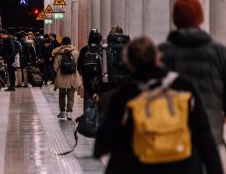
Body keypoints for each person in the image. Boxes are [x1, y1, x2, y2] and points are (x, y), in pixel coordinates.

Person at [94, 36, 223, 174]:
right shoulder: (183, 85)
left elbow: (103, 144)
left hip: (140, 166)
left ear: (129, 61)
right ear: (157, 56)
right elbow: (204, 134)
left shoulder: (125, 95)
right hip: (184, 166)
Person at [159, 0, 226, 168]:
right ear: (201, 18)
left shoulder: (162, 53)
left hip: (170, 133)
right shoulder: (219, 53)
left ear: (175, 19)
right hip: (210, 133)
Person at [52, 37, 82, 120]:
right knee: (71, 95)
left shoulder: (58, 53)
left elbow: (55, 67)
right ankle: (69, 112)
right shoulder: (76, 52)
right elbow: (78, 64)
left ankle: (62, 112)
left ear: (62, 43)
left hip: (61, 76)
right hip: (72, 76)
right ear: (70, 43)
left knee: (61, 94)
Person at [77, 29, 103, 111]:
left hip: (87, 80)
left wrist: (84, 74)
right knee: (100, 100)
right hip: (100, 80)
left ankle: (87, 117)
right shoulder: (102, 49)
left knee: (88, 98)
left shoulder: (84, 49)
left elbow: (79, 66)